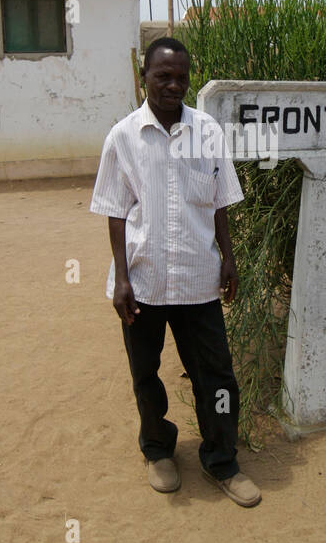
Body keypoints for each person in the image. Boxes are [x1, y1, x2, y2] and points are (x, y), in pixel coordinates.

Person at [89, 36, 261, 508]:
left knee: (217, 376)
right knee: (146, 373)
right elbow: (115, 211)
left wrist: (228, 257)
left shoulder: (208, 131)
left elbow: (221, 200)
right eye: (163, 75)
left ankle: (222, 459)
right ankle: (158, 448)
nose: (173, 85)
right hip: (143, 281)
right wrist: (121, 278)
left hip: (197, 277)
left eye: (182, 77)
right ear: (143, 76)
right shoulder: (123, 136)